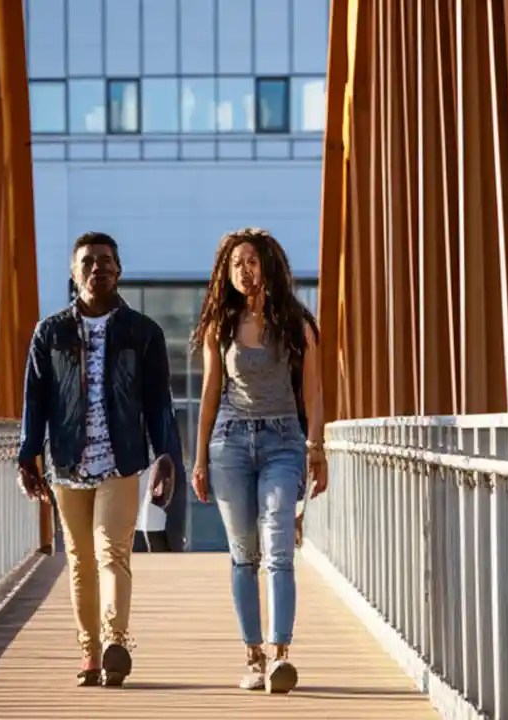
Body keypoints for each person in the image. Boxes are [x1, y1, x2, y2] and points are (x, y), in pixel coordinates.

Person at [17, 231, 184, 688]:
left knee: (113, 552)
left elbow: (158, 403)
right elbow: (35, 400)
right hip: (68, 462)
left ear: (119, 271)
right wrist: (27, 453)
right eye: (88, 261)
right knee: (80, 560)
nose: (98, 268)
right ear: (74, 273)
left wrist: (165, 455)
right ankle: (89, 654)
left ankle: (115, 642)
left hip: (121, 459)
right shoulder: (50, 333)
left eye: (106, 260)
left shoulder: (142, 332)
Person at [190, 227, 328, 694]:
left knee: (278, 546)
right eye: (235, 265)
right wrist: (199, 459)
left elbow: (313, 389)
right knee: (243, 553)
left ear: (268, 264)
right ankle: (252, 654)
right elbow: (211, 392)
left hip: (283, 440)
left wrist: (316, 447)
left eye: (251, 261)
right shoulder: (220, 326)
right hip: (229, 442)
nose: (244, 271)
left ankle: (281, 655)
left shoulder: (297, 324)